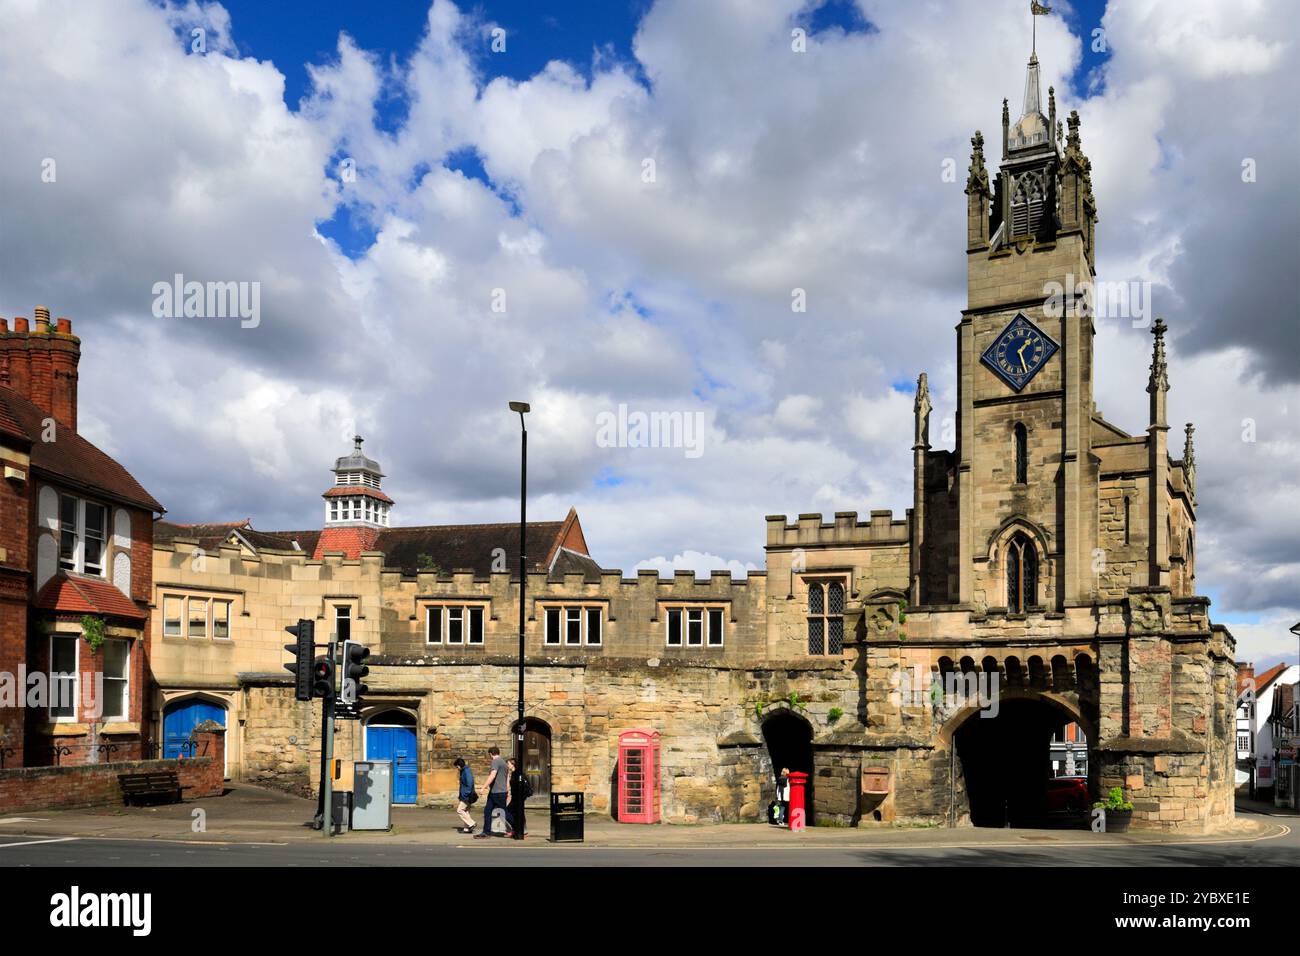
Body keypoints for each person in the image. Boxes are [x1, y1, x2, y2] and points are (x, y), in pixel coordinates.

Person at [474, 746, 510, 838]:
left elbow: (492, 775)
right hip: (498, 792)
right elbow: (507, 778)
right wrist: (507, 790)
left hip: (497, 792)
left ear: (490, 754)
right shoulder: (504, 763)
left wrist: (483, 787)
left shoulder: (495, 761)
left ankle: (519, 827)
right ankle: (486, 832)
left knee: (504, 812)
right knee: (487, 811)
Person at [505, 756, 530, 839]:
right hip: (515, 797)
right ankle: (519, 830)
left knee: (509, 812)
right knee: (518, 813)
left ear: (513, 764)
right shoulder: (513, 773)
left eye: (508, 764)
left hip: (519, 797)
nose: (507, 765)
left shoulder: (517, 774)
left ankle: (520, 830)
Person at [453, 757, 476, 834]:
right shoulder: (464, 771)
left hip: (467, 795)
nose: (457, 768)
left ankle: (471, 823)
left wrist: (465, 794)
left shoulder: (466, 771)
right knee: (466, 811)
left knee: (459, 810)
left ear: (459, 765)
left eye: (457, 766)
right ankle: (467, 829)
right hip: (466, 795)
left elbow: (470, 783)